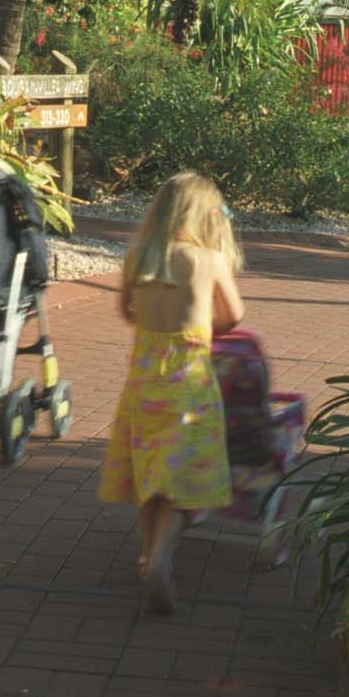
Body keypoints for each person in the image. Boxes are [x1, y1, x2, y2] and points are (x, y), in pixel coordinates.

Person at [100, 170, 245, 617]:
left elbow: (126, 309)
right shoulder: (208, 260)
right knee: (184, 481)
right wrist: (205, 330)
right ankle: (162, 555)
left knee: (150, 474)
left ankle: (147, 556)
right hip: (190, 383)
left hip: (144, 381)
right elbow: (233, 315)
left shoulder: (139, 255)